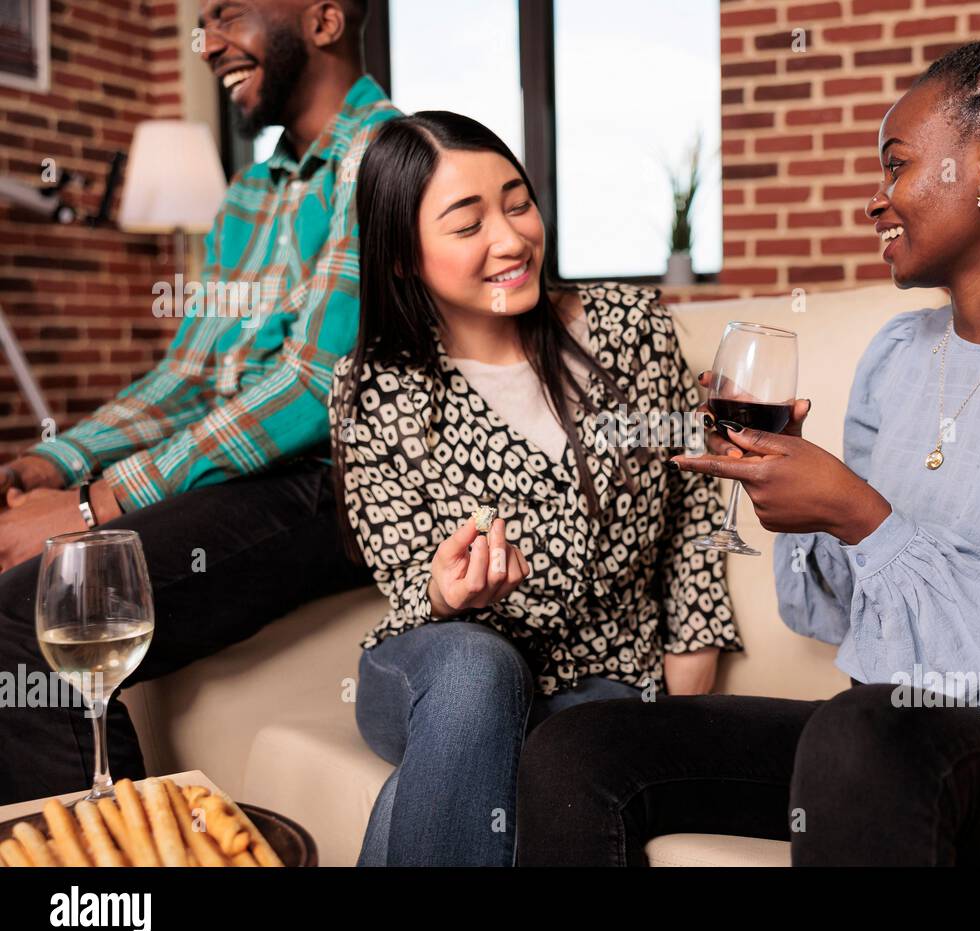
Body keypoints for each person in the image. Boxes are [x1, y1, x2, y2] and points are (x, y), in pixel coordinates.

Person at [513, 6, 980, 866]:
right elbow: (839, 614)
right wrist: (798, 504)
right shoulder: (898, 353)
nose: (875, 198)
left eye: (898, 165)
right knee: (579, 749)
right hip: (884, 732)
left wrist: (863, 518)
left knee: (862, 732)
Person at [0, 0, 399, 804]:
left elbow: (315, 389)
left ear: (324, 20)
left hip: (333, 487)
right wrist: (54, 460)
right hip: (240, 475)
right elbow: (187, 376)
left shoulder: (388, 158)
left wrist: (88, 508)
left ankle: (114, 887)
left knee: (34, 620)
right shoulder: (251, 192)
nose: (209, 42)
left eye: (230, 14)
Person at [327, 111, 742, 866]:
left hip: (601, 676)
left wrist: (693, 656)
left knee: (476, 779)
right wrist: (449, 594)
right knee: (479, 670)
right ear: (401, 259)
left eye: (517, 202)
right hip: (435, 668)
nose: (512, 239)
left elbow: (692, 507)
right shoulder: (375, 387)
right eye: (467, 223)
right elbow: (405, 578)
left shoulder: (632, 328)